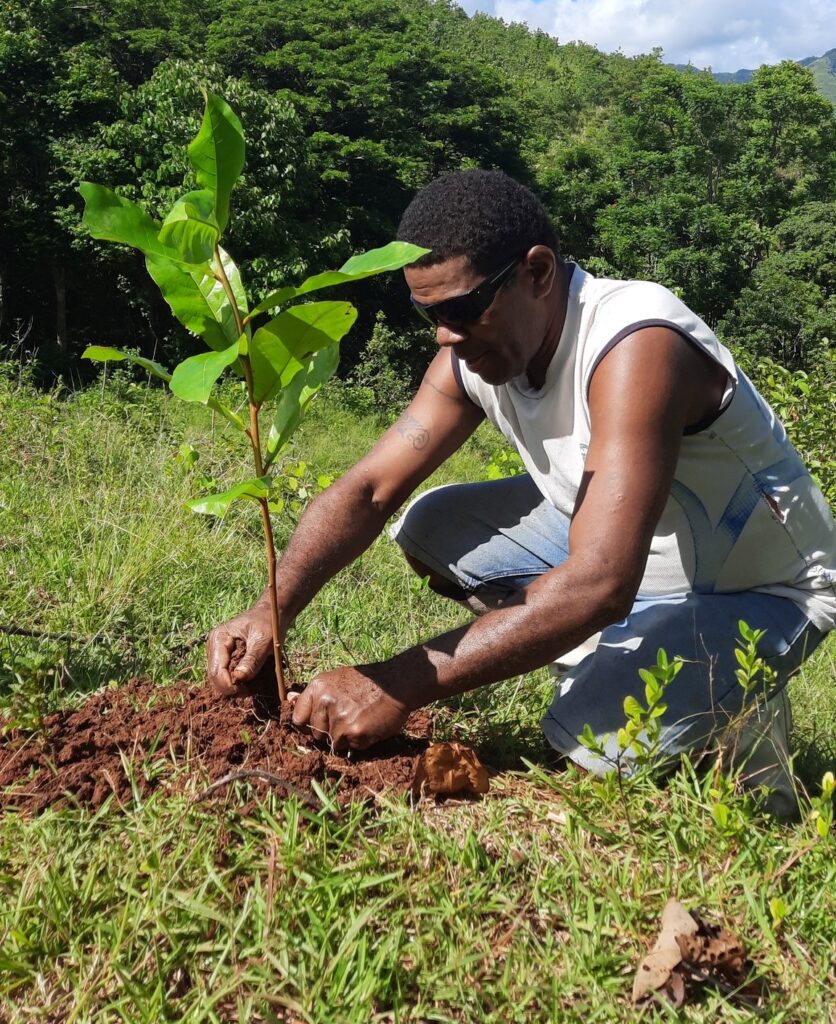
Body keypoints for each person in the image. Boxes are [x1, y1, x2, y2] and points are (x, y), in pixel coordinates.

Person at [207, 171, 835, 813]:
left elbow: (601, 582)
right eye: (429, 314)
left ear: (536, 272)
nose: (444, 335)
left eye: (460, 310)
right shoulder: (472, 356)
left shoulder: (636, 345)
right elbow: (370, 490)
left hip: (762, 587)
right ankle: (603, 640)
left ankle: (742, 711)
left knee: (589, 741)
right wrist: (270, 609)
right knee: (432, 525)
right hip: (632, 548)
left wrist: (397, 683)